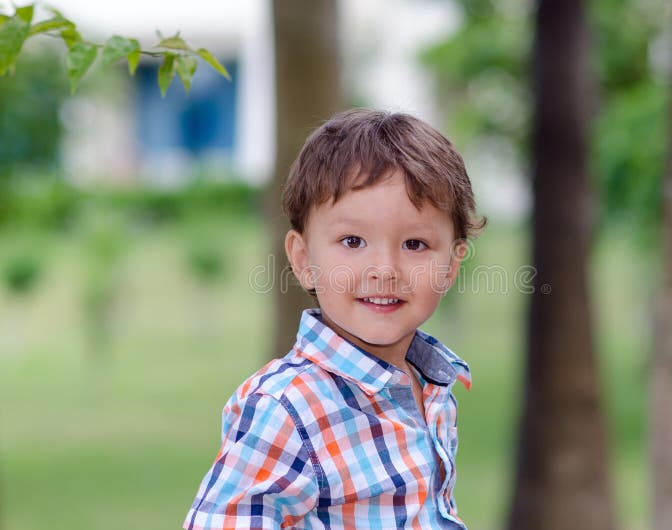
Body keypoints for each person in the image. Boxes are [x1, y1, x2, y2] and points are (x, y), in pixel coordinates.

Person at [184, 109, 485, 529]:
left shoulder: (433, 388)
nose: (384, 268)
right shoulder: (287, 407)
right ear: (304, 259)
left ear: (451, 265)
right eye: (353, 241)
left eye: (415, 243)